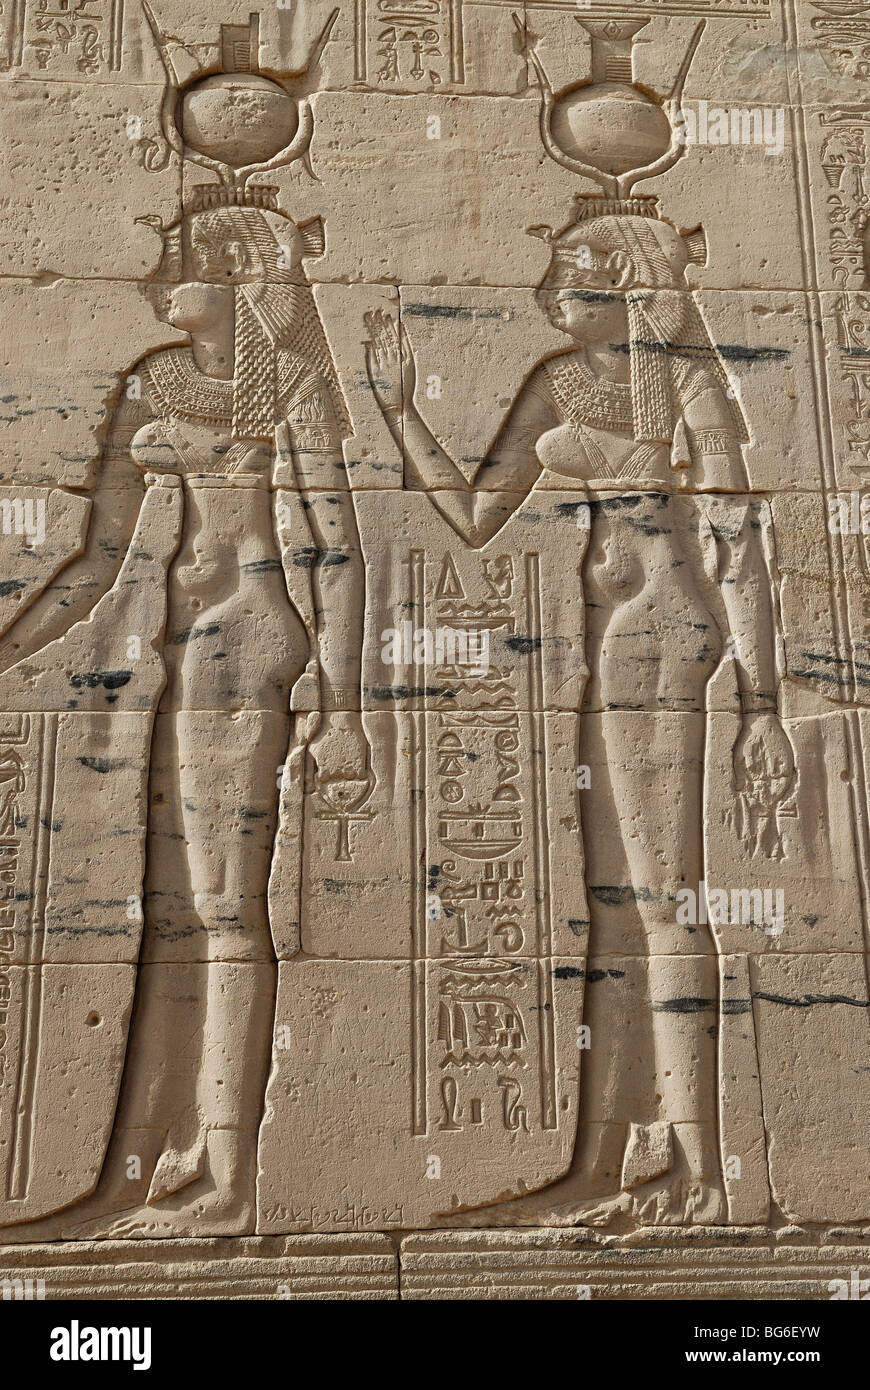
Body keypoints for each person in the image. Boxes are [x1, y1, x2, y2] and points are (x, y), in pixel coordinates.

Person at [365, 207, 796, 1224]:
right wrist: (397, 410)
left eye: (574, 267)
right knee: (617, 901)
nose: (552, 286)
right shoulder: (561, 379)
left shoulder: (689, 381)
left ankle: (698, 1174)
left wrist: (763, 704)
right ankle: (607, 1165)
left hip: (669, 625)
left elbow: (738, 539)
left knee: (661, 898)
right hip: (617, 631)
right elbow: (476, 514)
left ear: (631, 278)